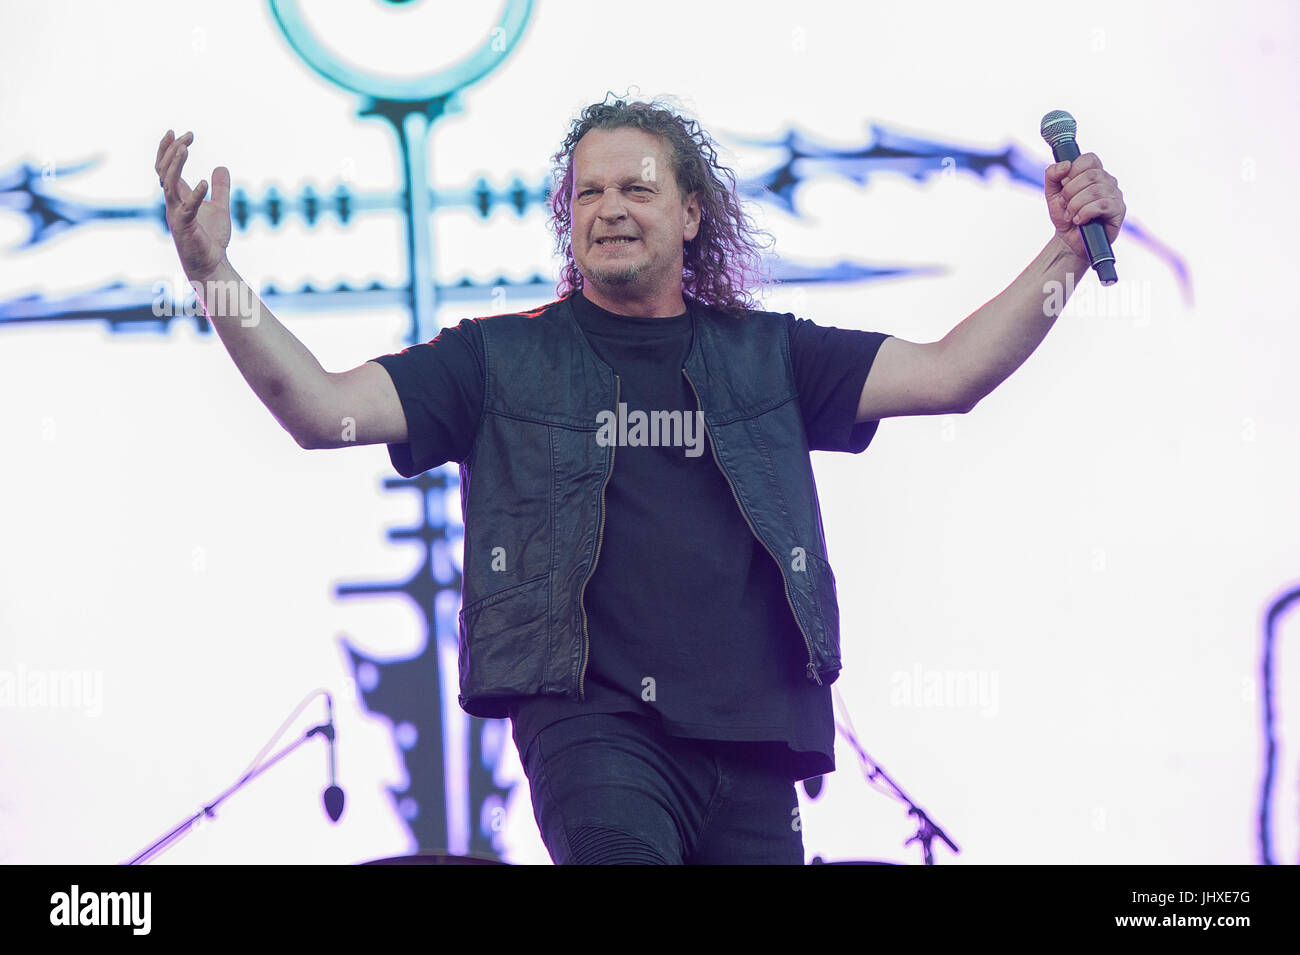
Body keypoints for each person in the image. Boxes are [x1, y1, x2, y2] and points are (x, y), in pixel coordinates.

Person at [154, 97, 1125, 865]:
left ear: (692, 212)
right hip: (592, 728)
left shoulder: (768, 355)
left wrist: (1068, 252)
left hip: (752, 740)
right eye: (587, 193)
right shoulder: (496, 360)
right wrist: (214, 274)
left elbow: (949, 374)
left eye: (638, 187)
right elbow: (321, 411)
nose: (609, 206)